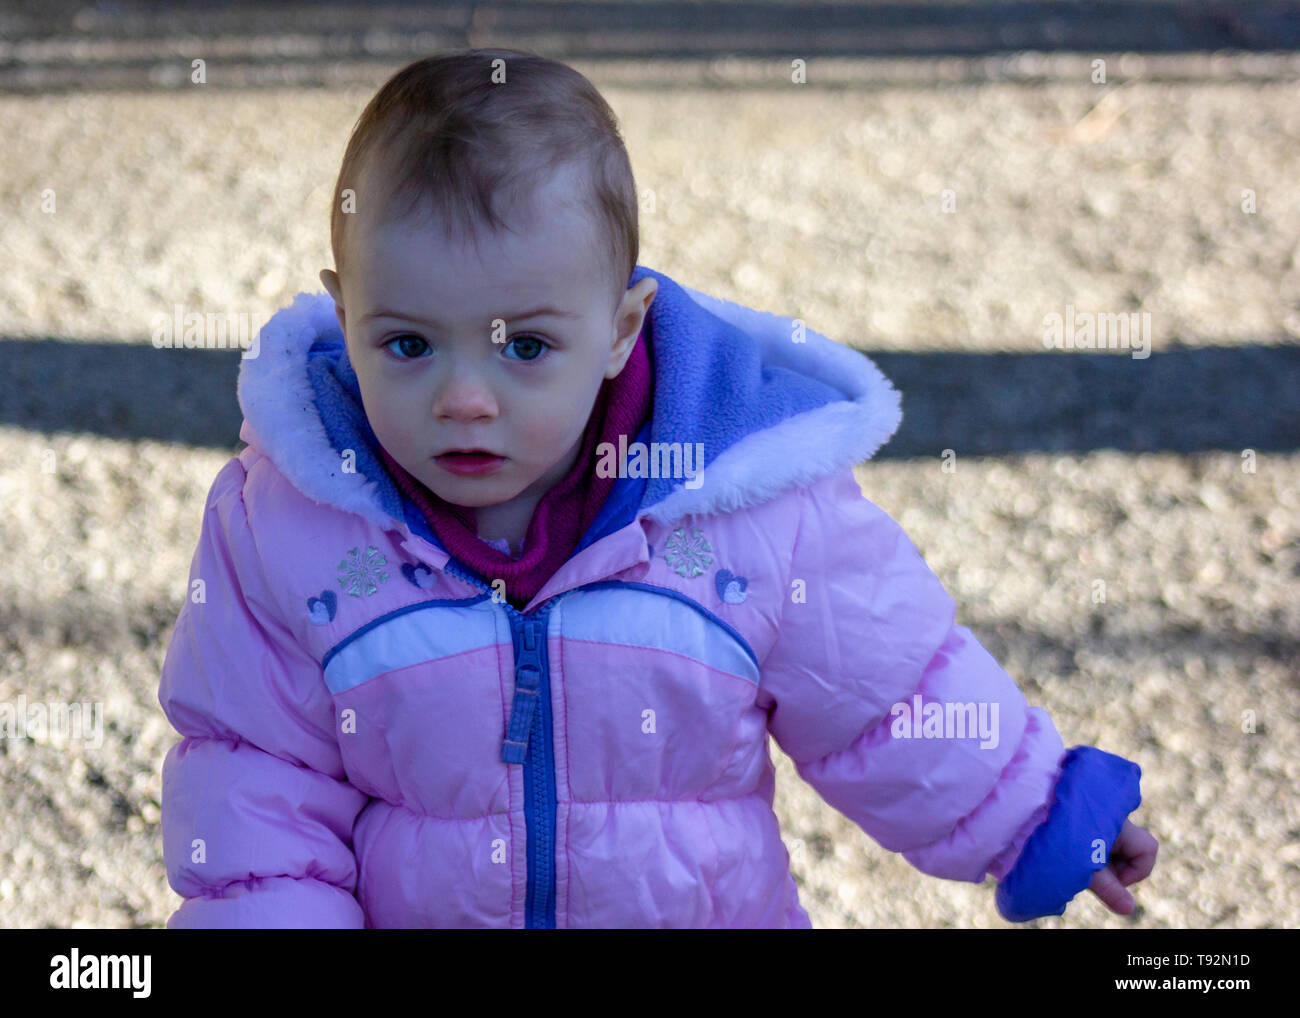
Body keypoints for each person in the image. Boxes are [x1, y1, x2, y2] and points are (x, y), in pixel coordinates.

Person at [157, 48, 1157, 928]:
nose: (464, 398)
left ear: (622, 330)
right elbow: (257, 794)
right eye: (407, 343)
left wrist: (1039, 811)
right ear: (346, 311)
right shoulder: (286, 527)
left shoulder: (740, 502)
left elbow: (891, 690)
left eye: (528, 346)